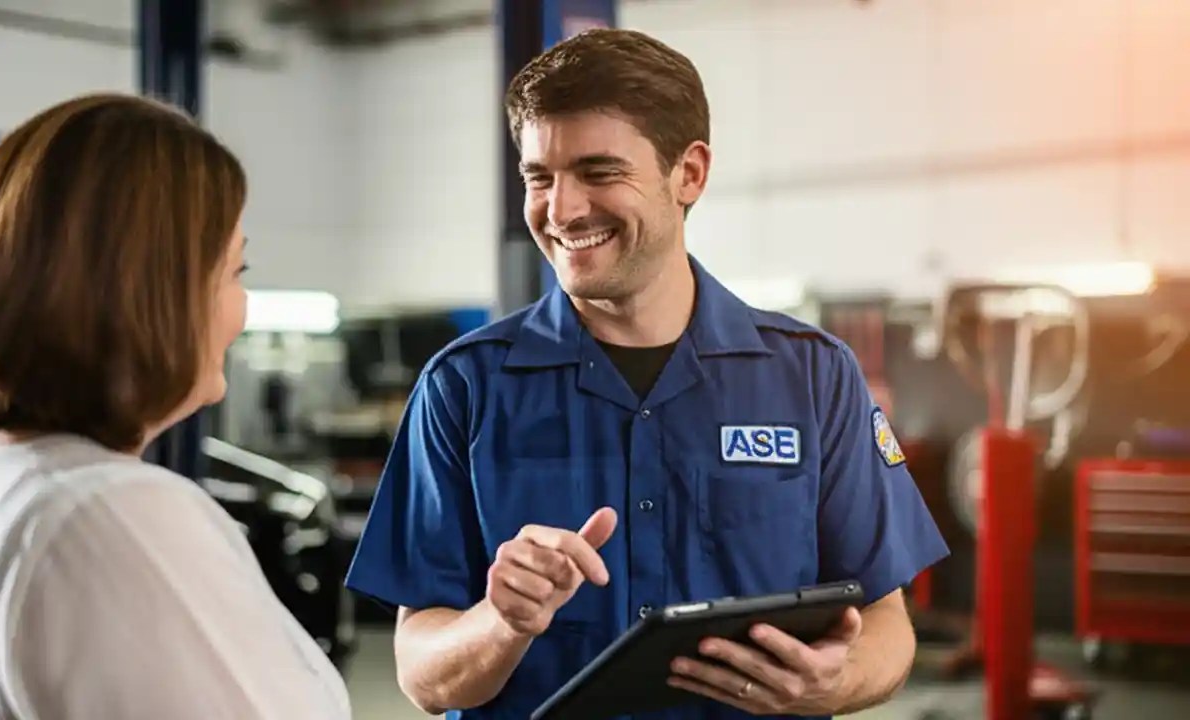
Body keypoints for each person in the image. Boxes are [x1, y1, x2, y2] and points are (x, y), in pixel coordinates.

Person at [345, 28, 949, 720]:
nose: (561, 210)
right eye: (539, 178)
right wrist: (502, 622)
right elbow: (423, 672)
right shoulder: (465, 389)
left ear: (688, 174)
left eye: (599, 172)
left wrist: (829, 686)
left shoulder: (813, 378)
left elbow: (886, 623)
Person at [0, 94, 352, 720]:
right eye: (235, 271)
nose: (241, 309)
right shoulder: (115, 511)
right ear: (151, 293)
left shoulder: (2, 465)